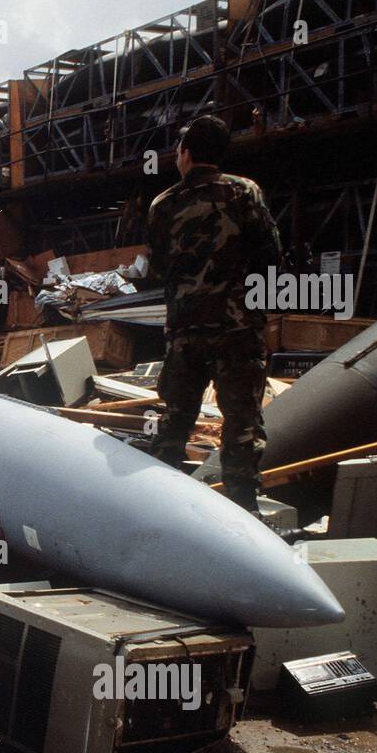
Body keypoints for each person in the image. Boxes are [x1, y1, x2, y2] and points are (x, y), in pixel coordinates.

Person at [145, 114, 283, 514]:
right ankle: (244, 508)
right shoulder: (244, 192)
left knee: (175, 420)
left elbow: (157, 266)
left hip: (186, 331)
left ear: (186, 154)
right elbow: (270, 254)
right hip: (237, 328)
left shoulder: (164, 204)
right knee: (241, 422)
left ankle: (156, 507)